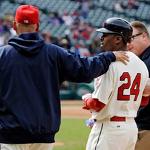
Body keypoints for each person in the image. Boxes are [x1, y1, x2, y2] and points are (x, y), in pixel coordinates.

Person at [0, 5, 128, 150]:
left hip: (9, 136)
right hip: (43, 137)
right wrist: (109, 56)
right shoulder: (55, 53)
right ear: (37, 26)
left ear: (15, 25)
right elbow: (85, 70)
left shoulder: (2, 55)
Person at [82, 17, 149, 150]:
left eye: (105, 35)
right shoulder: (141, 64)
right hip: (131, 130)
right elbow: (144, 100)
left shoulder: (109, 64)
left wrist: (86, 98)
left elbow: (97, 104)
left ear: (118, 39)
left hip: (109, 130)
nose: (101, 38)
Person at [127, 21, 150, 150]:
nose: (128, 44)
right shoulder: (140, 60)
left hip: (146, 127)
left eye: (131, 38)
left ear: (144, 36)